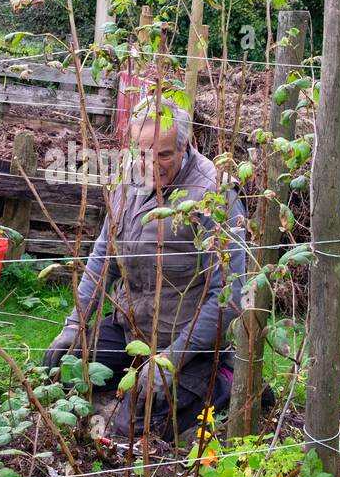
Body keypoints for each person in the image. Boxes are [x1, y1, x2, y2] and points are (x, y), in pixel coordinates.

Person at [41, 100, 248, 441]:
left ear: (186, 145)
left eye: (164, 155)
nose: (152, 165)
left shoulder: (215, 195)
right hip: (130, 332)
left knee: (135, 424)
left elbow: (228, 296)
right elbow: (102, 257)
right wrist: (75, 324)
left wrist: (172, 359)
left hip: (188, 347)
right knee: (59, 367)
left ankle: (223, 379)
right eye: (143, 153)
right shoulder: (128, 180)